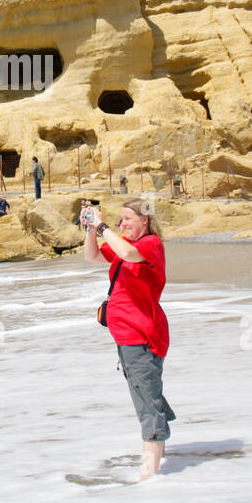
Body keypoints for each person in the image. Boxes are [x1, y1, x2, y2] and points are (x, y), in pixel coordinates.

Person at [83, 198, 174, 481]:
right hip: (127, 336)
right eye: (120, 220)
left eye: (127, 220)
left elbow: (128, 253)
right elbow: (93, 257)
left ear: (144, 220)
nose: (122, 225)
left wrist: (102, 225)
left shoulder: (150, 245)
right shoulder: (123, 241)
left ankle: (150, 477)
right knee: (146, 394)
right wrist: (89, 229)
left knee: (146, 404)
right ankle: (156, 458)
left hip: (142, 335)